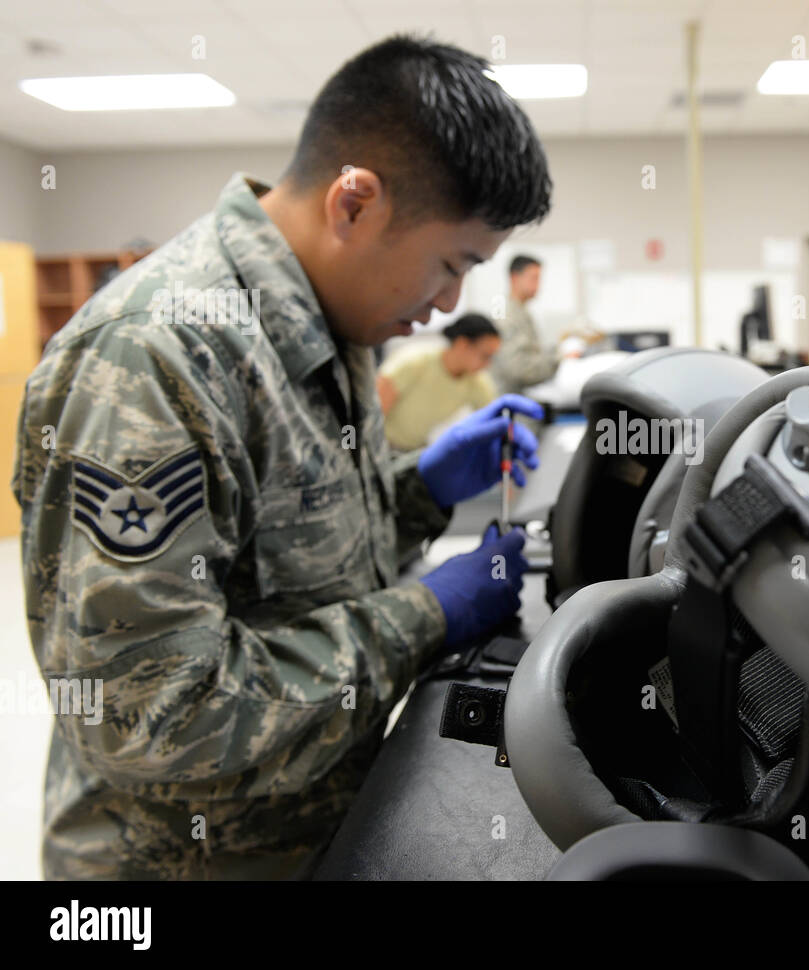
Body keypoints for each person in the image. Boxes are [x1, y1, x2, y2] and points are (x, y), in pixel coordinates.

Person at [12, 35, 552, 879]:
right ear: (355, 203)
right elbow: (152, 713)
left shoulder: (332, 321)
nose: (449, 302)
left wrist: (420, 493)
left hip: (313, 832)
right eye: (451, 264)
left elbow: (278, 557)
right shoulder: (158, 355)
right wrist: (430, 614)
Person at [377, 313, 502, 451]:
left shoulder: (477, 382)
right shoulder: (413, 362)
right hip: (381, 444)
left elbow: (495, 421)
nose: (488, 364)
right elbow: (373, 414)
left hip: (415, 449)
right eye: (485, 356)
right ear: (463, 344)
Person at [490, 254, 564, 393]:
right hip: (507, 397)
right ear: (514, 277)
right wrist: (558, 359)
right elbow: (518, 368)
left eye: (539, 279)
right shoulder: (503, 311)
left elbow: (531, 352)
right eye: (533, 278)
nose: (538, 285)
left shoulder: (521, 310)